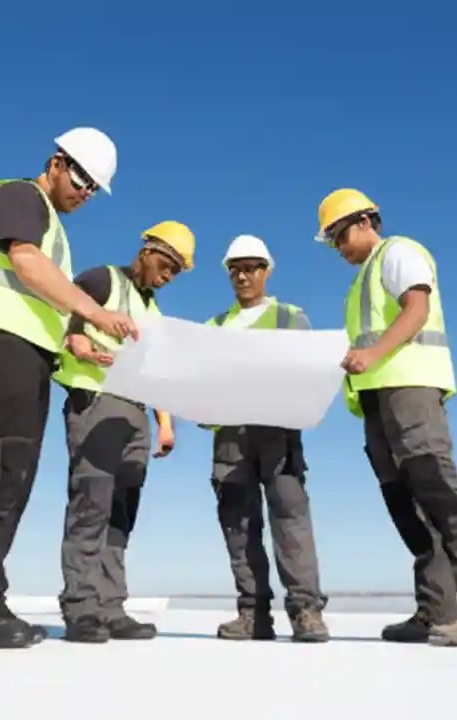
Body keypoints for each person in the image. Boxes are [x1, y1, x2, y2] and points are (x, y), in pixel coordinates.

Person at [0, 127, 139, 649]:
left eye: (95, 188)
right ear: (56, 162)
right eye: (81, 179)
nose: (85, 193)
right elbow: (24, 262)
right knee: (2, 466)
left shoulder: (53, 224)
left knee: (14, 472)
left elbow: (43, 293)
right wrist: (94, 311)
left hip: (27, 348)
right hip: (0, 339)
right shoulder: (19, 196)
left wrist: (77, 345)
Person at [315, 188, 457, 647]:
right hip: (376, 402)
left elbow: (417, 309)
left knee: (439, 492)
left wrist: (374, 353)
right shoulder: (361, 279)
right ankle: (437, 612)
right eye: (331, 242)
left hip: (411, 390)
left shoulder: (398, 252)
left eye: (339, 235)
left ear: (365, 222)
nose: (338, 248)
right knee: (405, 505)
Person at [52, 221, 194, 643]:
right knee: (90, 506)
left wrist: (164, 423)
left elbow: (158, 373)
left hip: (135, 416)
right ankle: (81, 608)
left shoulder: (153, 313)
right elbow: (57, 312)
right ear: (147, 250)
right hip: (95, 402)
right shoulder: (103, 280)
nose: (167, 277)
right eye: (165, 266)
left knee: (120, 515)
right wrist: (73, 340)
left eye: (175, 273)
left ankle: (111, 607)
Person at [200, 235, 331, 642]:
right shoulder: (214, 327)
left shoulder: (291, 317)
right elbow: (197, 381)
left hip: (277, 430)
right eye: (235, 268)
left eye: (252, 267)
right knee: (238, 524)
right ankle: (253, 614)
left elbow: (309, 369)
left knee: (290, 520)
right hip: (230, 435)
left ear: (267, 271)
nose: (243, 275)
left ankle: (306, 612)